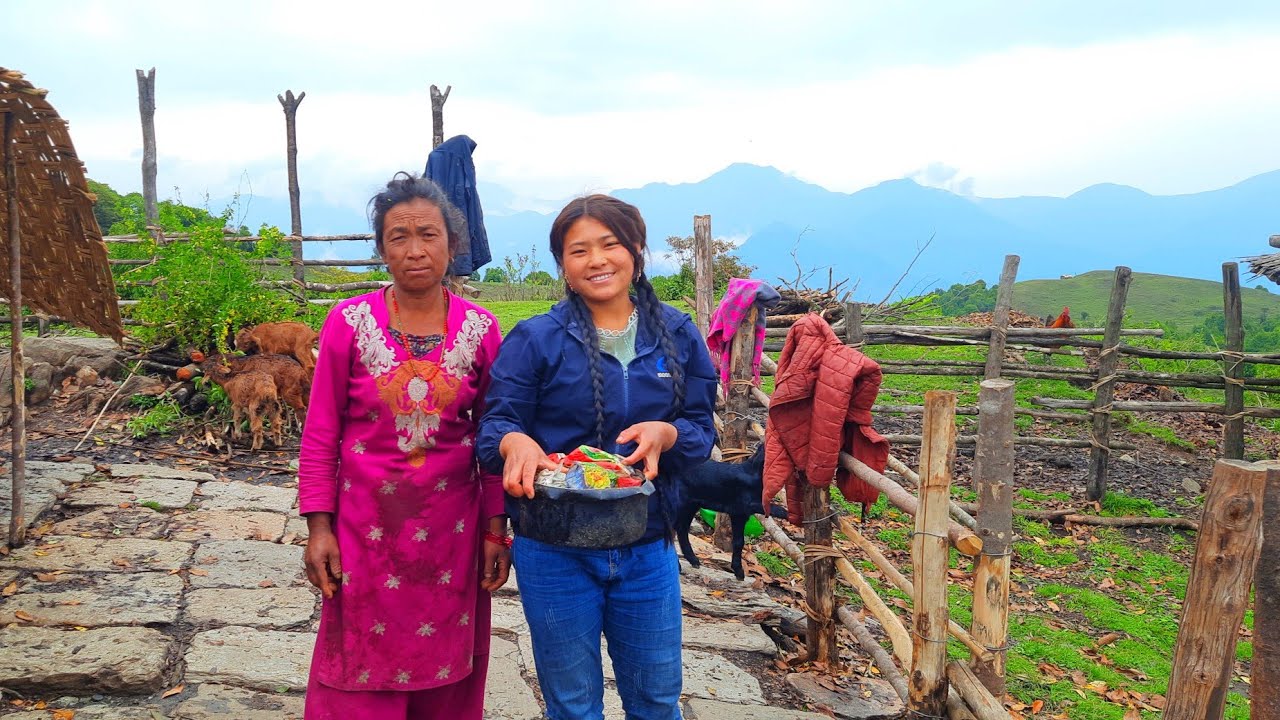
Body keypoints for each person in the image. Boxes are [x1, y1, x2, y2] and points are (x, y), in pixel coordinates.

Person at [477, 194, 717, 720]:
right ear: (562, 264)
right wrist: (514, 443)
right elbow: (495, 425)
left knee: (656, 700)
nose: (597, 260)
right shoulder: (536, 339)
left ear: (635, 250)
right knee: (572, 705)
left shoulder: (677, 336)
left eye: (610, 244)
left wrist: (668, 435)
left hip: (647, 544)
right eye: (579, 250)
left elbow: (701, 430)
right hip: (553, 546)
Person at [298, 173, 508, 720]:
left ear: (452, 245)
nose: (415, 250)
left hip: (452, 539)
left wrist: (495, 530)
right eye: (398, 236)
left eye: (428, 234)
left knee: (446, 672)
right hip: (364, 533)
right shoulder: (347, 323)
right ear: (381, 250)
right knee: (358, 671)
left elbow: (492, 441)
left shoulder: (483, 331)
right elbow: (321, 433)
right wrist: (319, 527)